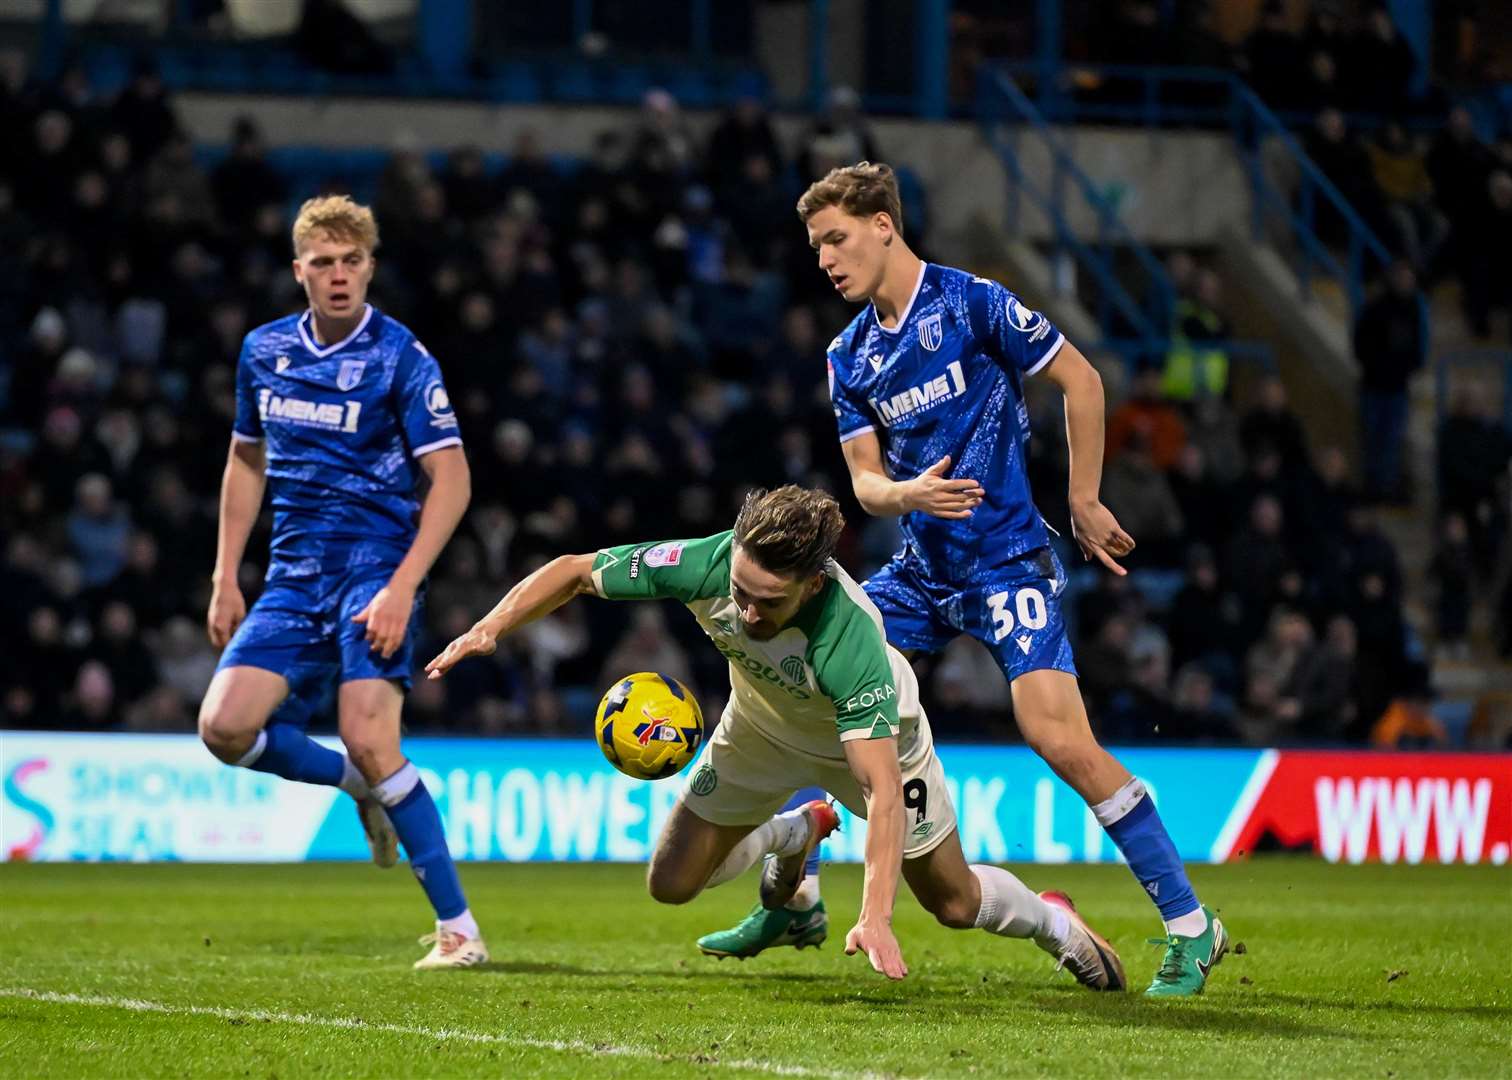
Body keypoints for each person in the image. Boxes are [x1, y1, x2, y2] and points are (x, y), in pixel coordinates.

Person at [704, 162, 1227, 996]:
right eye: (815, 248)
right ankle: (795, 895)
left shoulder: (973, 303)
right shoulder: (850, 356)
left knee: (1056, 735)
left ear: (884, 225)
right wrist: (905, 495)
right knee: (806, 683)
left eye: (836, 239)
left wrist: (1083, 498)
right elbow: (865, 484)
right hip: (919, 570)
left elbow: (1082, 380)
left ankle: (1192, 926)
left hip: (1006, 561)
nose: (826, 261)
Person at [425, 485, 1126, 989]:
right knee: (669, 884)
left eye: (769, 601)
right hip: (759, 727)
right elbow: (577, 571)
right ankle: (795, 833)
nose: (747, 612)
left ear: (813, 585)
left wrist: (875, 916)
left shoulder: (847, 640)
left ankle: (1054, 923)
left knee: (953, 904)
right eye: (740, 591)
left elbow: (881, 789)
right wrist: (492, 625)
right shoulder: (707, 562)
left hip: (879, 747)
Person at [196, 195, 484, 969]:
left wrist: (401, 586)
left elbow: (450, 479)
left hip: (374, 564)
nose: (338, 275)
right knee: (223, 727)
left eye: (351, 261)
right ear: (300, 271)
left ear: (369, 268)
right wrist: (226, 575)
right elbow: (244, 462)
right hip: (293, 573)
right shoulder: (262, 352)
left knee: (371, 730)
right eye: (322, 262)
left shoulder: (400, 356)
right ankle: (358, 786)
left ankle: (460, 930)